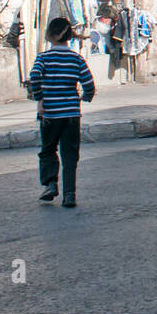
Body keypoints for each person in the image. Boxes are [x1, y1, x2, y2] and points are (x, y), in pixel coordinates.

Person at [30, 17, 95, 208]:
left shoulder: (43, 58)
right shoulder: (76, 59)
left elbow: (34, 77)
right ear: (69, 36)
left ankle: (50, 184)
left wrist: (40, 99)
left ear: (50, 35)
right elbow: (89, 84)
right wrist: (84, 98)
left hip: (50, 114)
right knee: (70, 155)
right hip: (72, 115)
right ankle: (69, 195)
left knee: (48, 150)